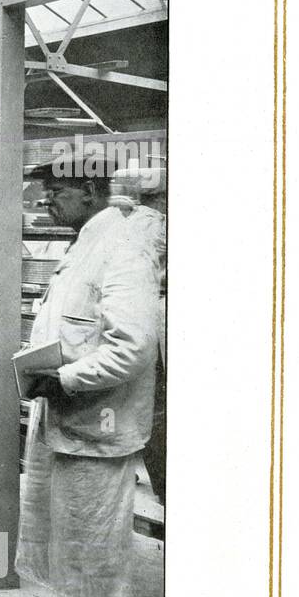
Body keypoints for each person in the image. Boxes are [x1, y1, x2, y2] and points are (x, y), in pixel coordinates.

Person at [16, 158, 160, 597]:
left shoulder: (121, 250)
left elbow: (134, 345)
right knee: (80, 520)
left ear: (93, 189)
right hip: (75, 412)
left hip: (99, 413)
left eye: (57, 190)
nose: (47, 199)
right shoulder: (88, 244)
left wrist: (68, 379)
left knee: (98, 520)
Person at [122, 170, 167, 508]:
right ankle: (165, 487)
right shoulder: (155, 226)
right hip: (154, 321)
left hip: (140, 322)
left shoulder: (130, 226)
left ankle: (153, 481)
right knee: (158, 408)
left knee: (145, 406)